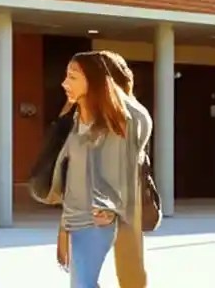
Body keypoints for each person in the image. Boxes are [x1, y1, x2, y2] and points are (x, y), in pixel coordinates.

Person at [53, 51, 152, 288]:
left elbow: (122, 165)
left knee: (118, 276)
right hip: (80, 216)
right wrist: (65, 227)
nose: (65, 83)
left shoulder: (128, 117)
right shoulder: (78, 116)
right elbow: (73, 176)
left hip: (107, 212)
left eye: (73, 77)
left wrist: (109, 204)